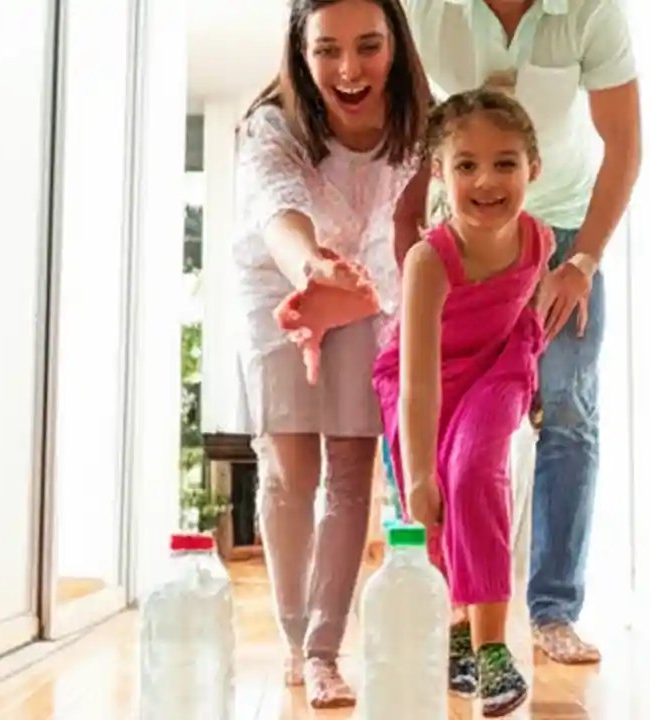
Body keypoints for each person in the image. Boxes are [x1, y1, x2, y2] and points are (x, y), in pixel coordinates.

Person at [400, 0, 642, 663]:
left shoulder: (589, 12)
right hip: (463, 237)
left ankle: (554, 611)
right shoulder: (424, 8)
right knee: (440, 423)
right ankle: (450, 613)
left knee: (567, 409)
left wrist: (583, 261)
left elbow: (623, 143)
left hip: (560, 231)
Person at [230, 0, 431, 708]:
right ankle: (291, 639)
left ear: (396, 46)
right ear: (300, 49)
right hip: (281, 283)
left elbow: (412, 234)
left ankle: (323, 652)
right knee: (289, 467)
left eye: (369, 46)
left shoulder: (417, 128)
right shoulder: (273, 126)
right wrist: (311, 268)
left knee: (352, 466)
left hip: (370, 285)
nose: (349, 71)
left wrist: (382, 297)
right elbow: (278, 213)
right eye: (327, 50)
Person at [372, 88, 552, 718]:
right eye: (466, 165)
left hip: (499, 367)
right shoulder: (430, 260)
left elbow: (525, 307)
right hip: (424, 378)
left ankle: (493, 648)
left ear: (535, 168)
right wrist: (418, 471)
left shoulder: (540, 241)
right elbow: (420, 377)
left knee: (477, 470)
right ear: (441, 175)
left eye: (506, 163)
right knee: (438, 499)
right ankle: (457, 629)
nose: (486, 180)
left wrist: (530, 388)